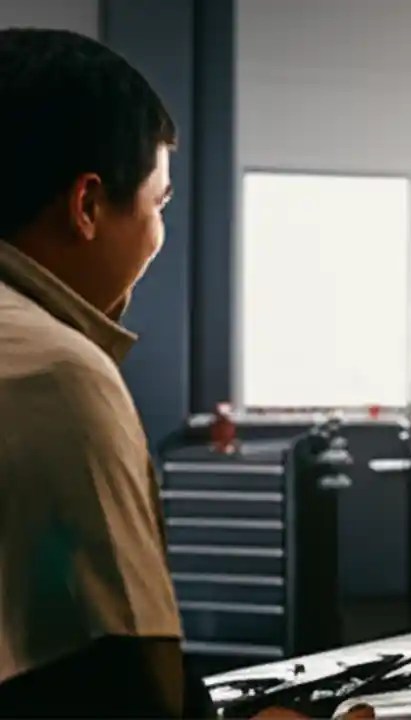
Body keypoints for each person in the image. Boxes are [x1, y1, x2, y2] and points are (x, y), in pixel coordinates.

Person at [0, 28, 210, 717]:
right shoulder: (54, 373)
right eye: (159, 205)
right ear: (87, 205)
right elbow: (114, 675)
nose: (158, 236)